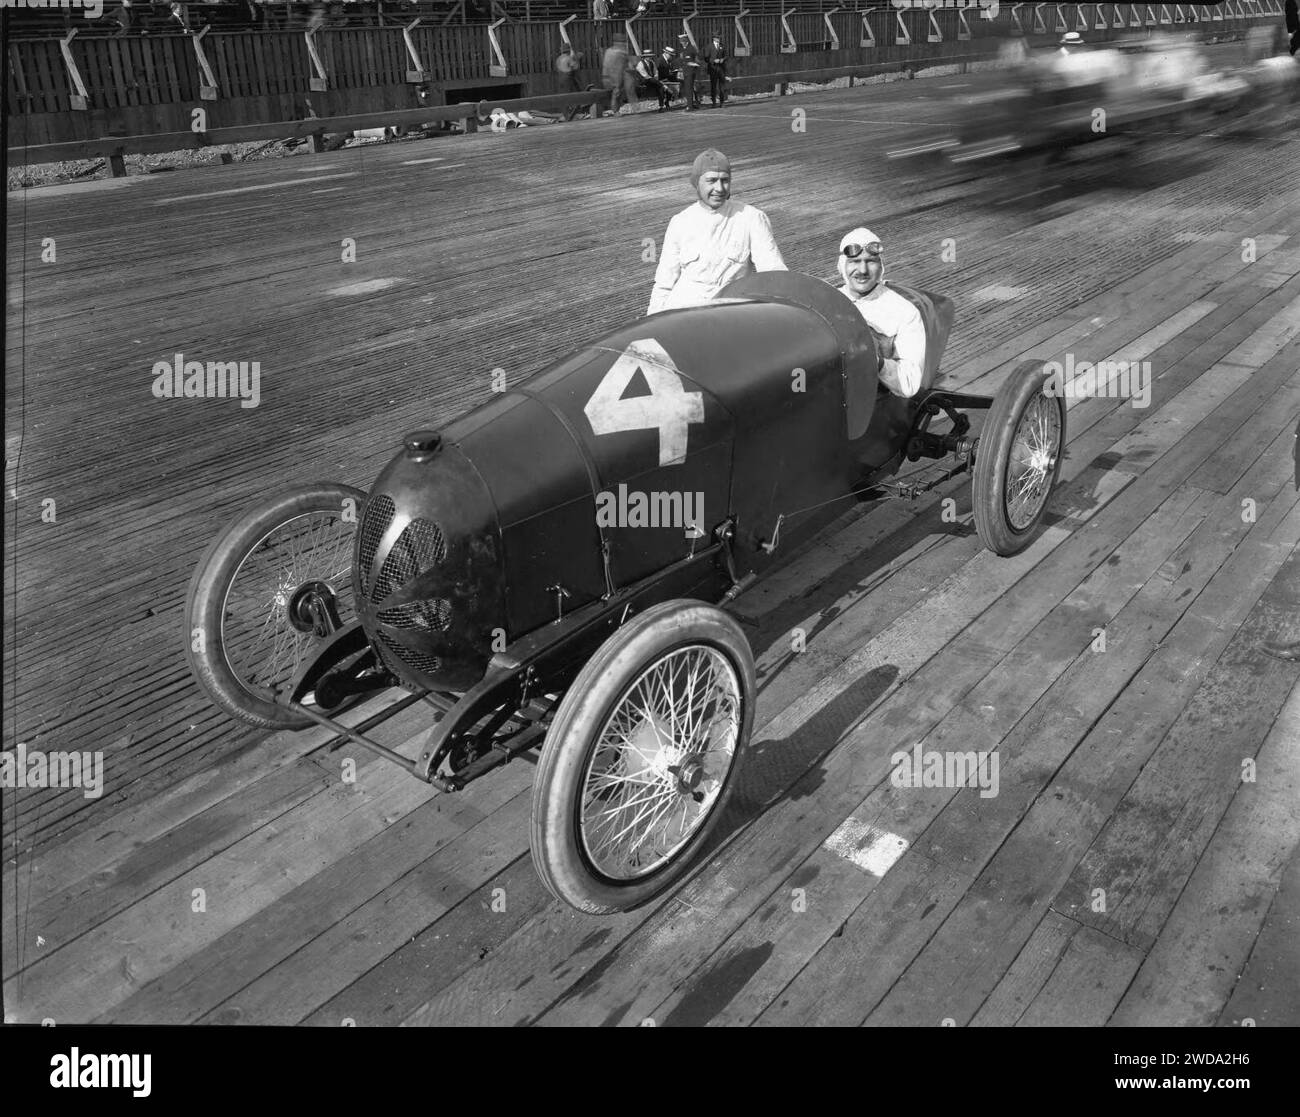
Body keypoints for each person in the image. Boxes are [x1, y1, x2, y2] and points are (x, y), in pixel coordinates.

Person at [647, 149, 787, 315]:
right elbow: (664, 282)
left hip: (729, 312)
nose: (719, 188)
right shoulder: (680, 222)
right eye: (711, 180)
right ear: (696, 183)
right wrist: (652, 320)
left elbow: (774, 273)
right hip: (682, 313)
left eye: (725, 180)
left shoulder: (751, 218)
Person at [835, 227, 926, 398]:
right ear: (842, 266)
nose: (862, 270)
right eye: (854, 261)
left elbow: (910, 384)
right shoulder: (829, 300)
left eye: (870, 261)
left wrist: (875, 361)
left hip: (873, 401)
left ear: (881, 266)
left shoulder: (904, 312)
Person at [602, 34, 639, 116]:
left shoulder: (609, 51)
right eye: (623, 42)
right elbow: (620, 69)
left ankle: (619, 110)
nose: (625, 44)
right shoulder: (620, 53)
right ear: (619, 43)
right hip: (614, 78)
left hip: (610, 77)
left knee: (622, 91)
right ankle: (616, 111)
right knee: (617, 92)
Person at [556, 44, 583, 121]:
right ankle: (570, 116)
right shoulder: (568, 58)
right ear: (568, 51)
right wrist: (577, 58)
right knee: (570, 97)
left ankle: (566, 116)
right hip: (568, 80)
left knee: (563, 98)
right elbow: (575, 67)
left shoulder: (558, 59)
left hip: (560, 80)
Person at [677, 33, 702, 111]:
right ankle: (690, 104)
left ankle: (690, 106)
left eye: (682, 41)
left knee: (689, 89)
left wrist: (695, 64)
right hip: (685, 71)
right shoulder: (683, 49)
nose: (681, 42)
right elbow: (682, 60)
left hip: (690, 71)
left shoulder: (691, 48)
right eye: (680, 41)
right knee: (688, 89)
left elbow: (699, 58)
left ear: (685, 40)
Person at [705, 34, 728, 107]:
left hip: (721, 68)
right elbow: (706, 58)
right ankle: (714, 102)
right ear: (714, 38)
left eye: (719, 37)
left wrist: (722, 59)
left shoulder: (722, 46)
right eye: (717, 38)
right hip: (713, 69)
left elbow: (726, 55)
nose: (719, 39)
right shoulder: (709, 46)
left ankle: (722, 102)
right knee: (713, 86)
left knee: (722, 86)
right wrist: (714, 60)